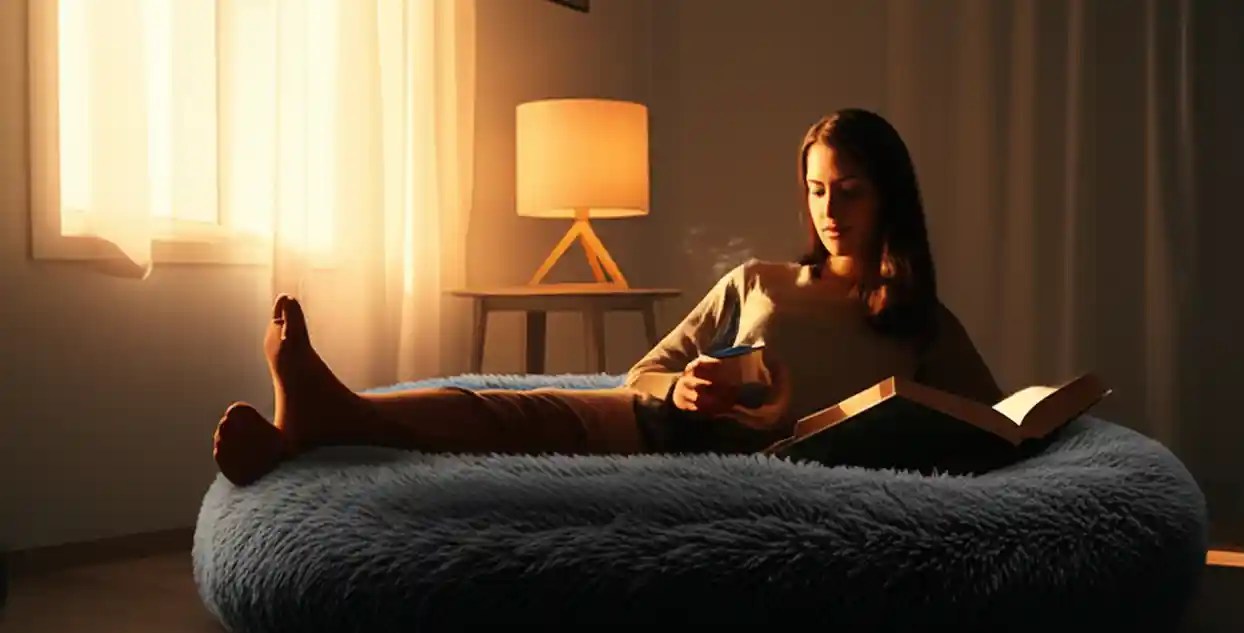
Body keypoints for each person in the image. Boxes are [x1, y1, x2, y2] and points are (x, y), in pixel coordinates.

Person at [212, 108, 1003, 486]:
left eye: (851, 193)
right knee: (510, 413)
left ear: (889, 198)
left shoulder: (921, 324)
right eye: (816, 190)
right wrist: (681, 386)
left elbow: (994, 423)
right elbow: (642, 370)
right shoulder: (759, 281)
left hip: (774, 470)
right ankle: (325, 416)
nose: (829, 212)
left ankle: (310, 429)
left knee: (514, 437)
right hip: (661, 428)